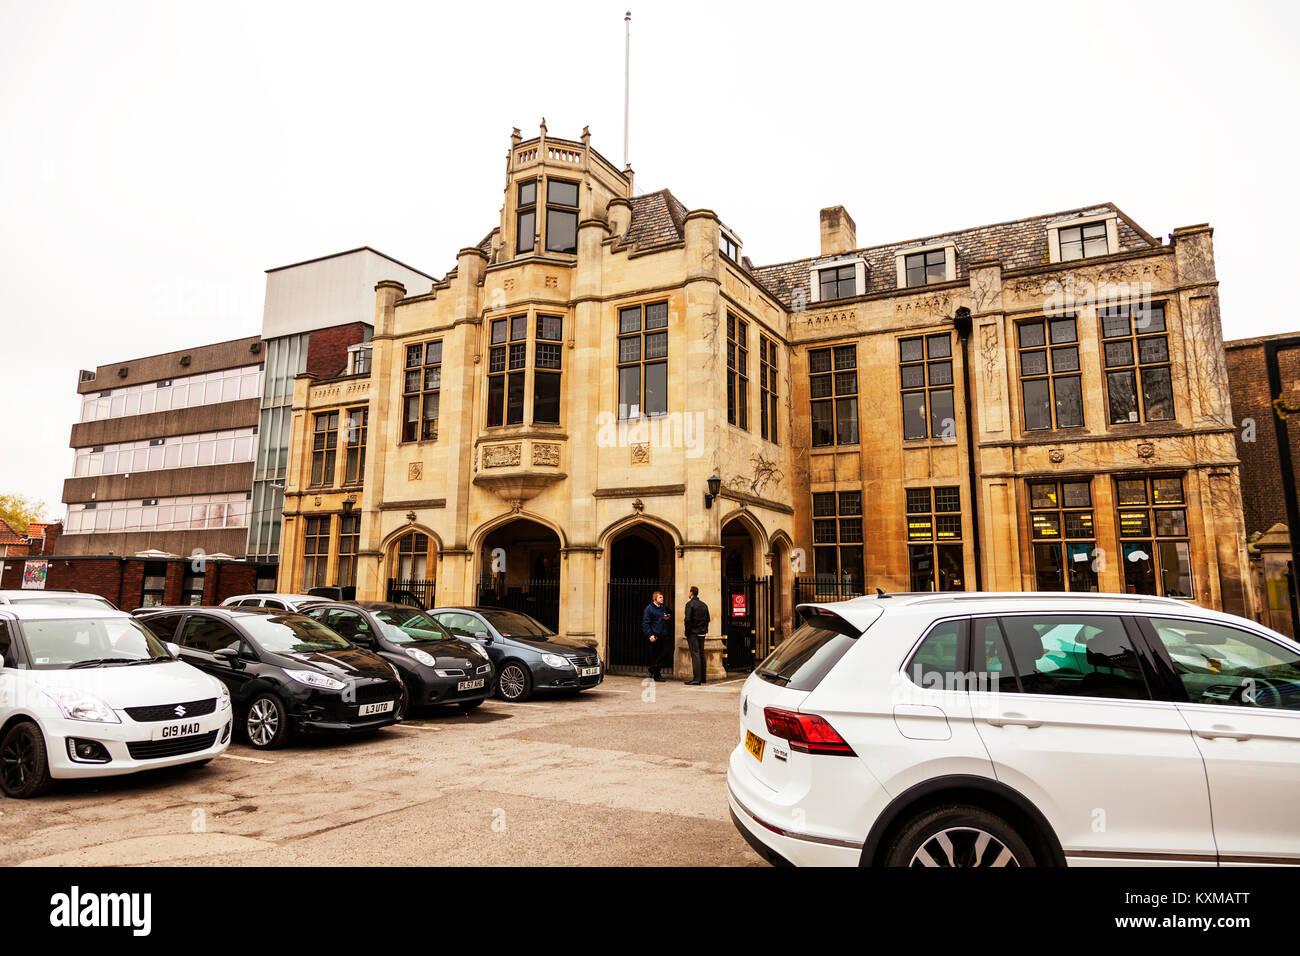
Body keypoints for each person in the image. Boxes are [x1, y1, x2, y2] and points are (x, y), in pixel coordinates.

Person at [682, 585, 710, 685]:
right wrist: (704, 629)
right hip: (702, 632)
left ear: (691, 593)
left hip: (693, 633)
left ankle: (697, 679)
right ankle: (703, 678)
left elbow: (687, 620)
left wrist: (687, 631)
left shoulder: (690, 604)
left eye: (689, 592)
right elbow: (708, 619)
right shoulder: (704, 605)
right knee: (701, 654)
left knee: (695, 654)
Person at [641, 590, 671, 681]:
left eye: (662, 597)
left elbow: (661, 619)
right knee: (656, 656)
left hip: (663, 634)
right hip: (655, 635)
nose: (662, 599)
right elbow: (646, 623)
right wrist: (650, 635)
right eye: (660, 597)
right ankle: (657, 676)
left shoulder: (662, 607)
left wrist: (666, 618)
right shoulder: (649, 609)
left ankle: (651, 669)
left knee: (665, 654)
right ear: (655, 599)